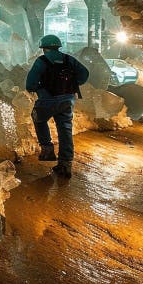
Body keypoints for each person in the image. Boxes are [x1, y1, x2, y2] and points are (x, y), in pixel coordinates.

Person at [25, 35, 89, 177]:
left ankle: (47, 150)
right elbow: (84, 74)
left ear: (44, 48)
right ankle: (65, 164)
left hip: (48, 99)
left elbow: (30, 83)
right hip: (68, 99)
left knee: (38, 118)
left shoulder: (42, 61)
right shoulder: (68, 59)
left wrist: (38, 89)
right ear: (58, 46)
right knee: (65, 128)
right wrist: (73, 83)